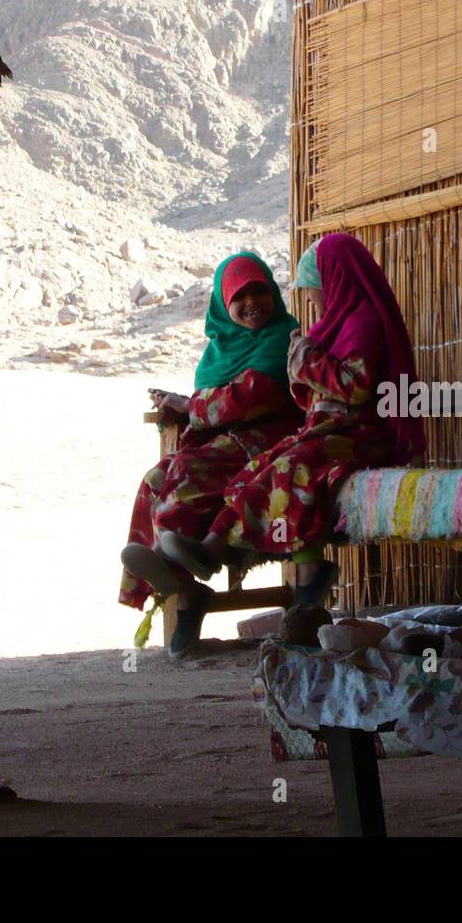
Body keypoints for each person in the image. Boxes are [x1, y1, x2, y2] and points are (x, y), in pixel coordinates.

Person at [158, 233, 425, 646]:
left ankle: (280, 571)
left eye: (314, 289)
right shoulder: (334, 325)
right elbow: (311, 394)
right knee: (263, 466)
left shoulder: (364, 323)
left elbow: (356, 389)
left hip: (364, 437)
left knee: (289, 467)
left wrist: (307, 360)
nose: (314, 300)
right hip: (328, 433)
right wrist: (304, 365)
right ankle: (211, 551)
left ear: (334, 279)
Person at [119, 251, 302, 657]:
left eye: (260, 291)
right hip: (222, 445)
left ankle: (178, 571)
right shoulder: (218, 349)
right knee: (154, 480)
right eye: (240, 296)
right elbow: (212, 400)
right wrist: (188, 406)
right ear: (223, 304)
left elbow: (249, 397)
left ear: (273, 292)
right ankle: (184, 587)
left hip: (267, 447)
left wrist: (191, 406)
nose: (252, 303)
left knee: (184, 470)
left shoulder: (282, 338)